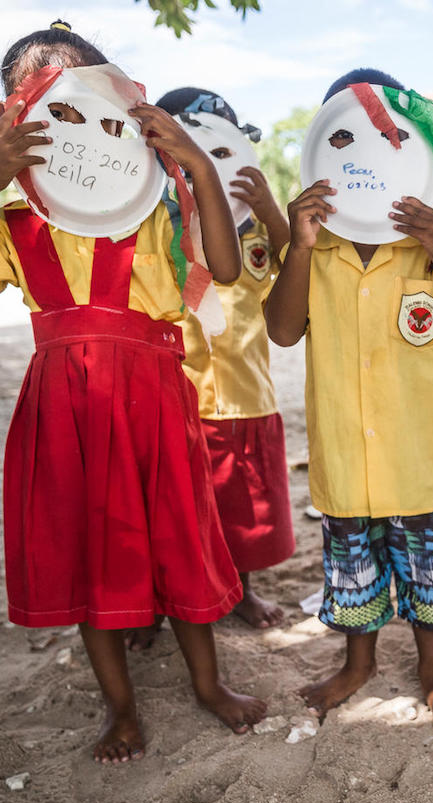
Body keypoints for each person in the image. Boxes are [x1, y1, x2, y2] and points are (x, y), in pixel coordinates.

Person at [0, 22, 266, 763]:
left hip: (154, 397)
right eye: (49, 103)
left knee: (178, 537)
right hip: (65, 408)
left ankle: (209, 685)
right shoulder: (14, 209)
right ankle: (120, 710)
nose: (75, 123)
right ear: (14, 118)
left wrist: (197, 169)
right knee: (91, 552)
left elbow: (225, 265)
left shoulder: (153, 196)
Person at [263, 68, 433, 730]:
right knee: (353, 573)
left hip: (419, 460)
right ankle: (358, 665)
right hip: (344, 458)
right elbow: (281, 328)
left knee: (431, 575)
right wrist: (299, 247)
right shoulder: (314, 241)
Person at [157, 87, 295, 630]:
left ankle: (240, 591)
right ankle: (159, 605)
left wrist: (267, 209)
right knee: (176, 512)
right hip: (178, 398)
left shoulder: (258, 229)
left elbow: (294, 268)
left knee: (240, 512)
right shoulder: (156, 228)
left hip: (244, 393)